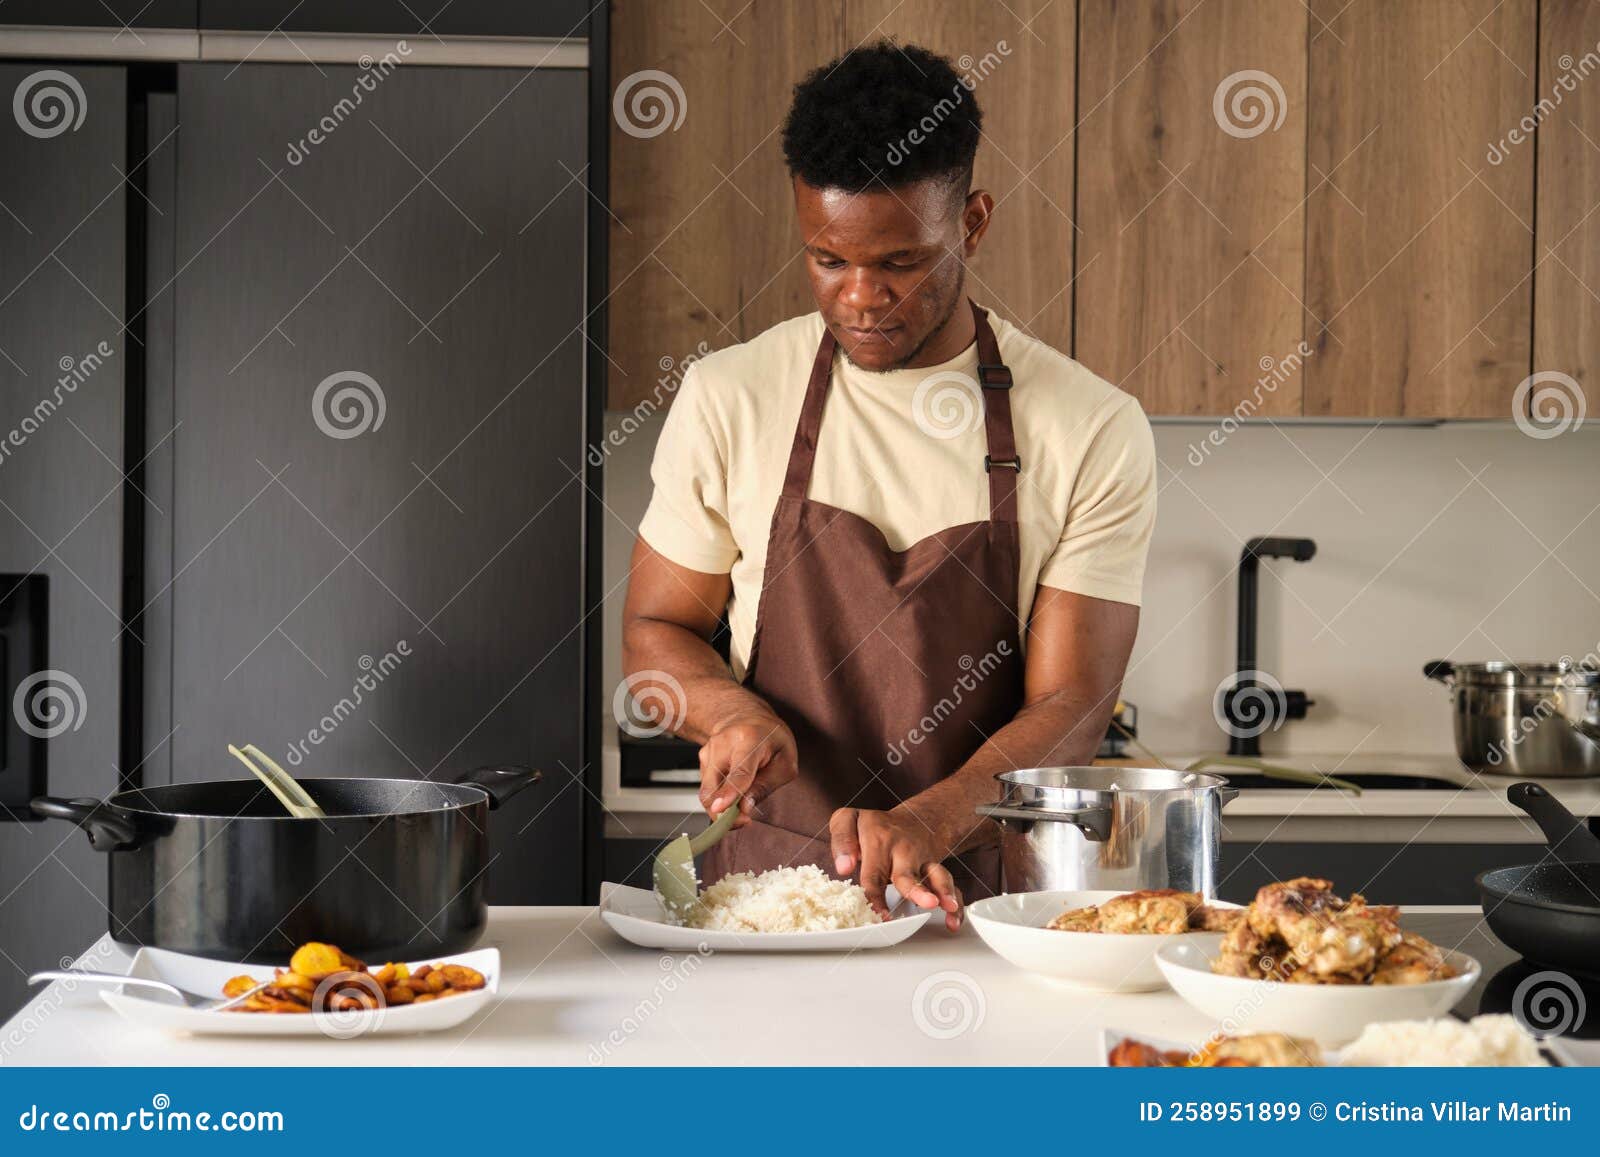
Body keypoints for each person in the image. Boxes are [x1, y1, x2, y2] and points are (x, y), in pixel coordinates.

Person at [621, 41, 1156, 930]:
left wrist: (929, 821)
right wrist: (728, 712)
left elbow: (1075, 702)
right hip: (770, 909)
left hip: (979, 910)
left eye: (901, 263)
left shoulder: (1090, 425)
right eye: (829, 260)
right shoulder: (732, 395)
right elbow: (653, 633)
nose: (861, 297)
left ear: (973, 223)